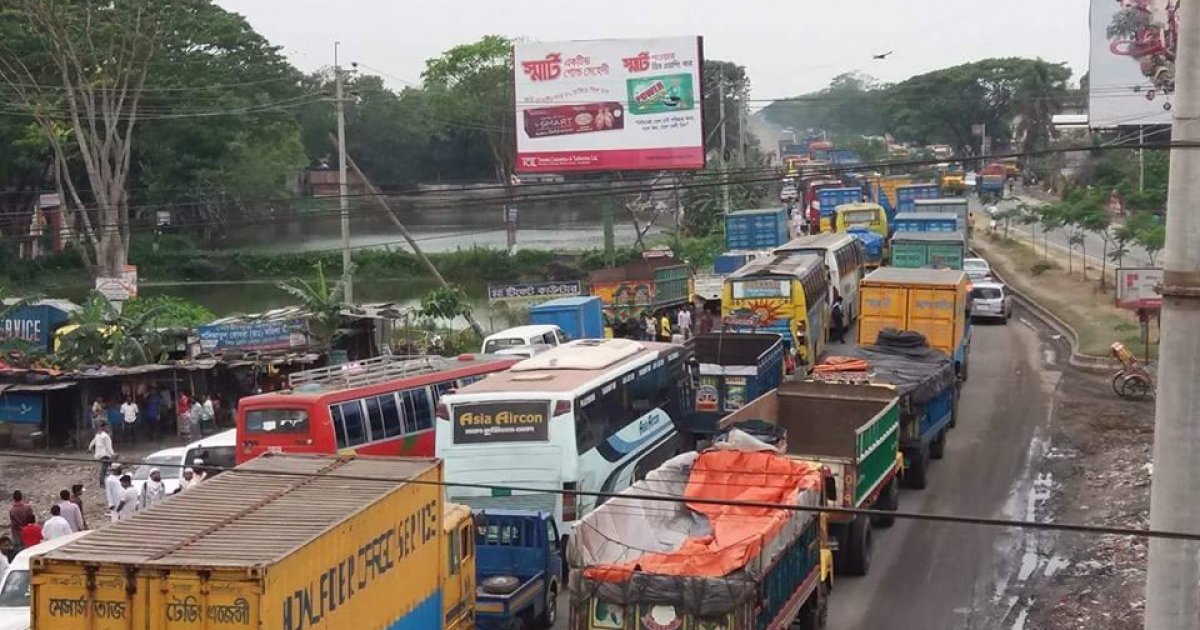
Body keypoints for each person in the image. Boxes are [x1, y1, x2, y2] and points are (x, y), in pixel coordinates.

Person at [87, 422, 116, 486]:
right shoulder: (105, 436)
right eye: (107, 427)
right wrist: (113, 454)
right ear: (104, 428)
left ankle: (106, 481)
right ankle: (103, 482)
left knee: (108, 467)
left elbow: (93, 441)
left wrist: (89, 448)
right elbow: (108, 447)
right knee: (105, 468)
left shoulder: (98, 435)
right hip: (105, 454)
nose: (108, 428)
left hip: (99, 454)